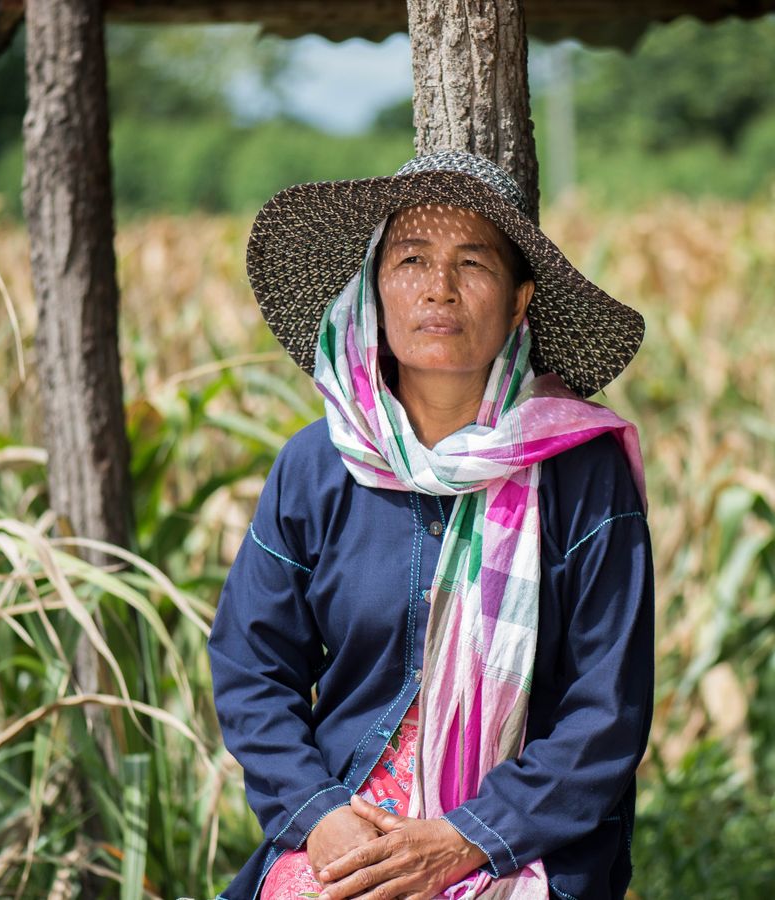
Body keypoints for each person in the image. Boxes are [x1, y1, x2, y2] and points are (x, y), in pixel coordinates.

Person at [209, 150, 654, 900]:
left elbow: (605, 711)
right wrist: (317, 814)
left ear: (518, 302)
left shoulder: (582, 475)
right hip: (351, 821)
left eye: (472, 264)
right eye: (411, 259)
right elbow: (252, 667)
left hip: (519, 839)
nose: (439, 289)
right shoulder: (318, 467)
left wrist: (465, 839)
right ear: (374, 290)